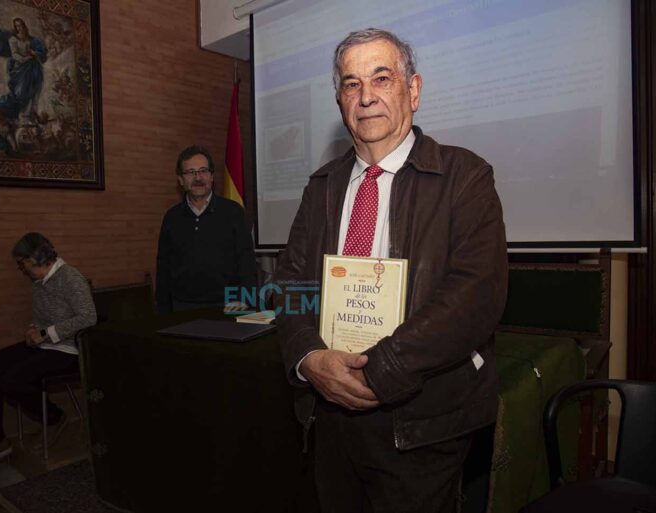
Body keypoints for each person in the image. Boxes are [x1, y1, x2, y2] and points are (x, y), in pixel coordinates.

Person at [274, 29, 508, 513]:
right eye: (351, 83)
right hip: (331, 412)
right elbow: (292, 285)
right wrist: (310, 360)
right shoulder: (320, 188)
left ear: (413, 90)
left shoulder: (465, 176)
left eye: (382, 78)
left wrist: (380, 371)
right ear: (340, 99)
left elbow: (474, 296)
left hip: (422, 421)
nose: (366, 97)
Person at [0, 232, 96, 466]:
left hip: (68, 350)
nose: (21, 268)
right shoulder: (39, 283)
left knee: (10, 381)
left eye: (22, 263)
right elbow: (41, 318)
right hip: (45, 345)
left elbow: (88, 317)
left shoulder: (70, 277)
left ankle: (54, 418)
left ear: (34, 258)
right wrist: (33, 331)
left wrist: (45, 334)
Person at [156, 145, 257, 314]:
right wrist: (163, 310)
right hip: (182, 308)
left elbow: (246, 261)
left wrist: (246, 299)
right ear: (180, 180)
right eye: (190, 172)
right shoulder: (171, 217)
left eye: (203, 171)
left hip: (227, 306)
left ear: (211, 177)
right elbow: (163, 267)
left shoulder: (233, 212)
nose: (198, 177)